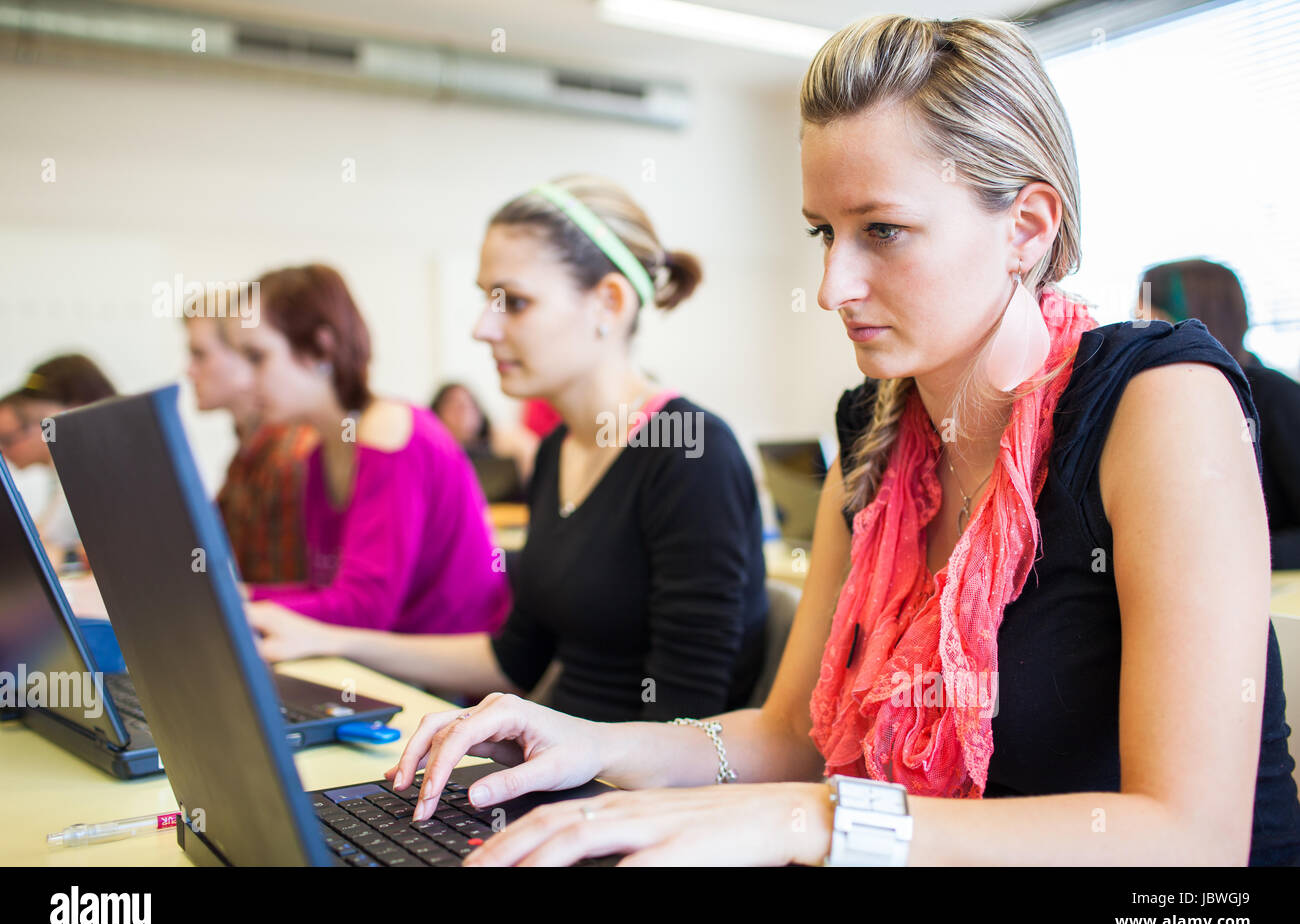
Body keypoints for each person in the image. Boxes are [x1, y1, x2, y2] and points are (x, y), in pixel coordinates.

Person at [386, 14, 1300, 867]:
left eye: (884, 231)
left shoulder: (1160, 400)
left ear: (1026, 228)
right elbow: (793, 738)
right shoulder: (873, 428)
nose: (832, 286)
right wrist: (596, 743)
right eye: (825, 233)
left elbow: (1192, 840)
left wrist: (813, 817)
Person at [247, 175, 770, 722]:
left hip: (629, 793)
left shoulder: (691, 453)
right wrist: (330, 639)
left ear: (607, 304)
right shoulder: (556, 453)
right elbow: (514, 659)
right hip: (570, 770)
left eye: (513, 302)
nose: (482, 327)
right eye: (485, 300)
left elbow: (682, 722)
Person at [235, 264, 510, 635]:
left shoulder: (389, 432)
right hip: (398, 664)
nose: (246, 380)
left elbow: (365, 609)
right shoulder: (317, 452)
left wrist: (239, 603)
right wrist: (241, 599)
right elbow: (336, 595)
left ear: (320, 347)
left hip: (460, 683)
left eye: (257, 358)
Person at [1137, 258, 1300, 570]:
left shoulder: (1276, 398)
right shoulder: (1155, 403)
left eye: (1149, 323)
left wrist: (1223, 555)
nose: (1136, 339)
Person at [183, 287, 318, 583]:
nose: (189, 371)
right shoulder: (245, 456)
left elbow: (285, 599)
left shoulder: (289, 457)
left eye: (199, 355)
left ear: (244, 356)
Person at [0, 354, 116, 568]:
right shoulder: (64, 473)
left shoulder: (91, 467)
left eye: (7, 440)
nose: (4, 452)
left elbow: (49, 542)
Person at [431, 381, 538, 492]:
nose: (463, 412)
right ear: (437, 413)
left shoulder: (502, 445)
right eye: (453, 405)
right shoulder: (435, 457)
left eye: (468, 405)